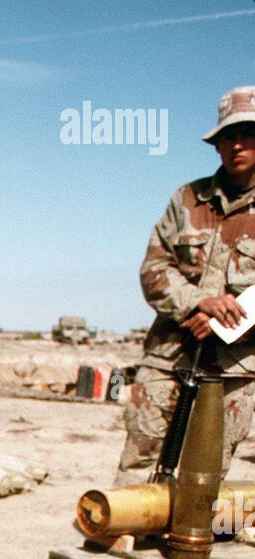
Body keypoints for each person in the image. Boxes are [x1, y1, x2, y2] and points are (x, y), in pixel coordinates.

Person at [118, 87, 255, 482]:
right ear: (217, 146)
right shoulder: (187, 198)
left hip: (233, 366)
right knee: (139, 460)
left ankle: (187, 544)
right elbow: (153, 270)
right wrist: (200, 303)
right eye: (228, 136)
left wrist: (228, 320)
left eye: (248, 133)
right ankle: (123, 535)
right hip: (170, 355)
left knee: (205, 475)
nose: (238, 144)